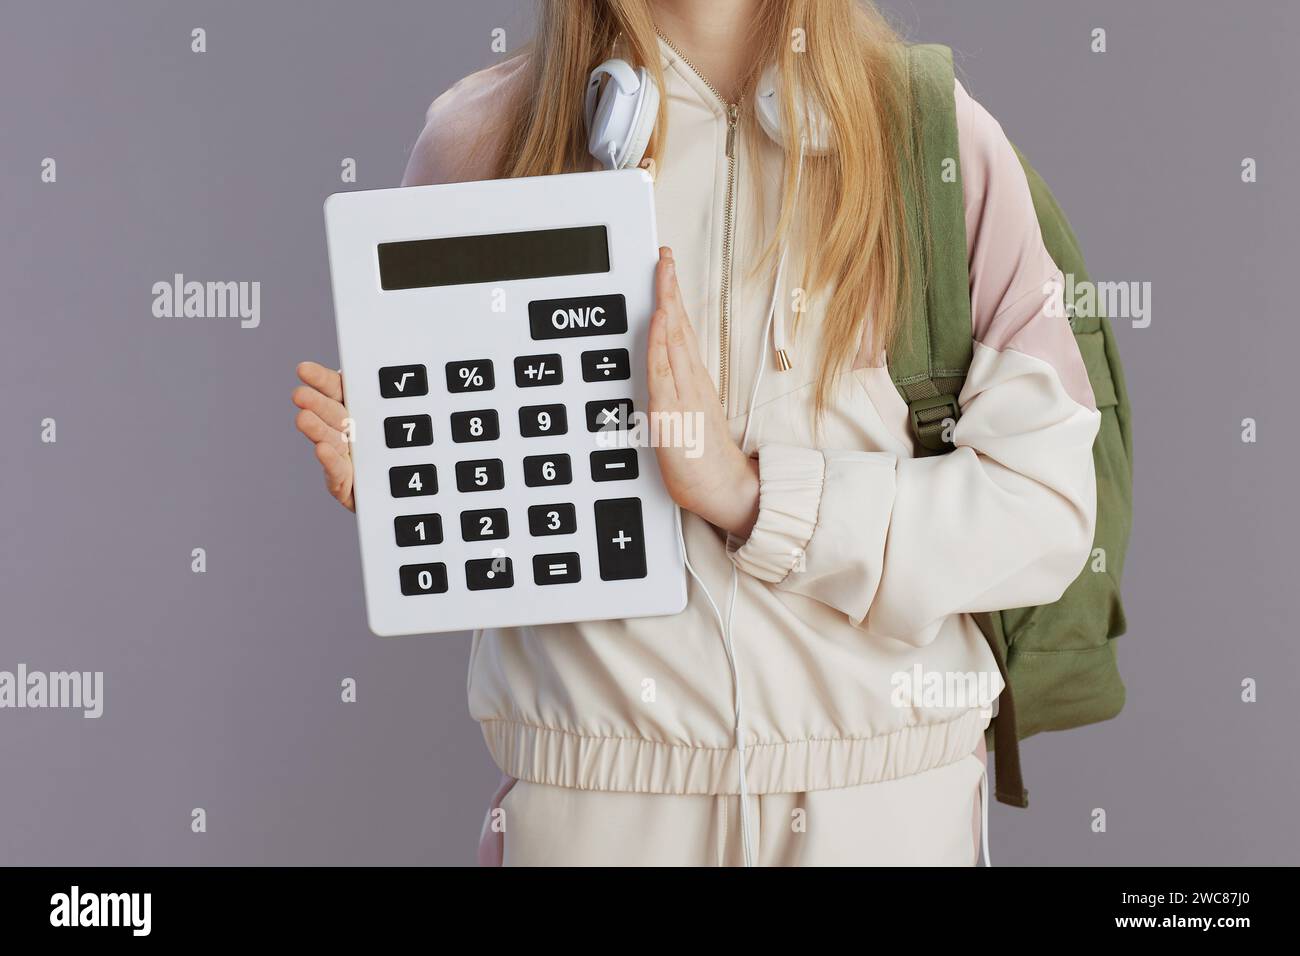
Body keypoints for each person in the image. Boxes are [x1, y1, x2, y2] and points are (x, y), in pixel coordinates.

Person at [293, 0, 1100, 866]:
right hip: (594, 816)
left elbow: (1045, 513)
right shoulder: (484, 139)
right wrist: (417, 486)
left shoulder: (937, 144)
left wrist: (755, 497)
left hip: (889, 813)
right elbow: (493, 509)